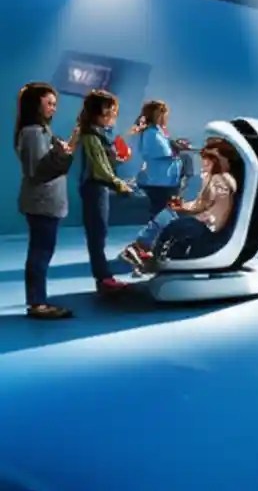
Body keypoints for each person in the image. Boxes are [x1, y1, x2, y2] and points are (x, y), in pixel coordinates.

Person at [120, 139, 238, 273]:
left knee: (167, 214)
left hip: (209, 225)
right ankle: (142, 248)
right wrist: (183, 206)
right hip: (207, 220)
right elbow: (203, 204)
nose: (203, 162)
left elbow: (206, 207)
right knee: (169, 212)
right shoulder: (219, 178)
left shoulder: (218, 180)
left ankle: (142, 248)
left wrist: (182, 208)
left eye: (207, 159)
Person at [15, 82, 78, 320]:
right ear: (35, 104)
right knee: (40, 252)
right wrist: (61, 153)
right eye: (49, 103)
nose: (53, 108)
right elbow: (38, 170)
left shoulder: (41, 131)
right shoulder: (33, 133)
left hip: (47, 201)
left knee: (41, 251)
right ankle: (37, 303)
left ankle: (37, 301)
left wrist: (62, 150)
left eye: (55, 104)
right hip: (42, 202)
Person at [75, 89, 132, 294]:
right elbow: (100, 169)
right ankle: (103, 278)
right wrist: (119, 184)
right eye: (109, 111)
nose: (112, 116)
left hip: (98, 187)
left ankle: (104, 277)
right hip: (94, 188)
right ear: (98, 112)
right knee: (97, 234)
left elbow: (105, 163)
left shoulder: (98, 134)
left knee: (99, 233)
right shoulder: (91, 135)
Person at [131, 100, 189, 217]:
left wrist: (175, 144)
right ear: (157, 115)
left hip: (167, 182)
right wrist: (177, 148)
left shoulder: (159, 132)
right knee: (162, 216)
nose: (166, 118)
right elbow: (165, 153)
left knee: (167, 216)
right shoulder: (151, 134)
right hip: (160, 183)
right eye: (164, 115)